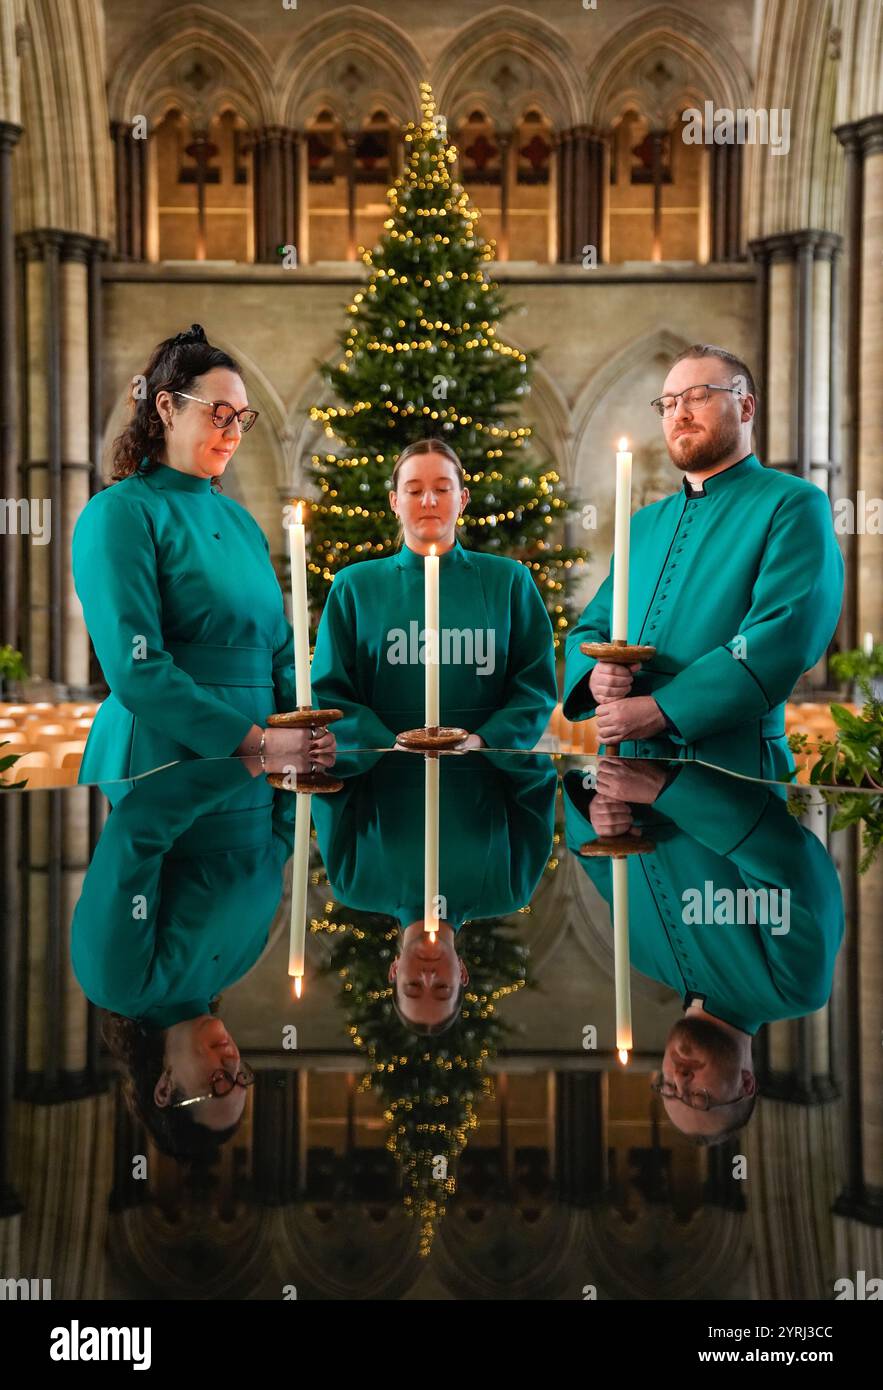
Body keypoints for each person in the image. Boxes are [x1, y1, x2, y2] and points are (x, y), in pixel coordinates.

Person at [72, 324, 333, 799]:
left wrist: (307, 726)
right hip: (160, 759)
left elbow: (280, 649)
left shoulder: (242, 524)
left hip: (261, 769)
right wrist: (254, 743)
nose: (234, 433)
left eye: (243, 418)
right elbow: (136, 667)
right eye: (221, 414)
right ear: (167, 407)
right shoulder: (118, 514)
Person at [563, 345, 844, 779]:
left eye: (697, 397)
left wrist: (662, 709)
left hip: (733, 773)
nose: (680, 413)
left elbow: (784, 634)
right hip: (622, 772)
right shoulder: (643, 524)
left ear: (745, 405)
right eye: (669, 403)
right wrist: (595, 675)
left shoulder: (793, 504)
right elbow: (591, 627)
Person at [563, 754, 844, 1144]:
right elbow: (793, 864)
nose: (680, 1077)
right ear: (746, 1083)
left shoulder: (643, 957)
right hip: (726, 744)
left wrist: (595, 816)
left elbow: (594, 858)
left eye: (669, 1088)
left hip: (631, 741)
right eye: (700, 1096)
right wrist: (667, 791)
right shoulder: (794, 990)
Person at [310, 437, 558, 749]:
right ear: (394, 501)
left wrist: (483, 741)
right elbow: (330, 689)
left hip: (483, 776)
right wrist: (386, 744)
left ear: (463, 499)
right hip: (383, 778)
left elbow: (534, 683)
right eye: (413, 491)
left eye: (442, 489)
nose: (429, 501)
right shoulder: (353, 586)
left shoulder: (510, 582)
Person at [310, 747, 557, 1033]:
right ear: (462, 974)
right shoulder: (509, 888)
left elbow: (330, 781)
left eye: (413, 986)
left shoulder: (353, 884)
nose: (427, 976)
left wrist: (390, 740)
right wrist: (479, 739)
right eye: (442, 987)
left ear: (394, 970)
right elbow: (536, 781)